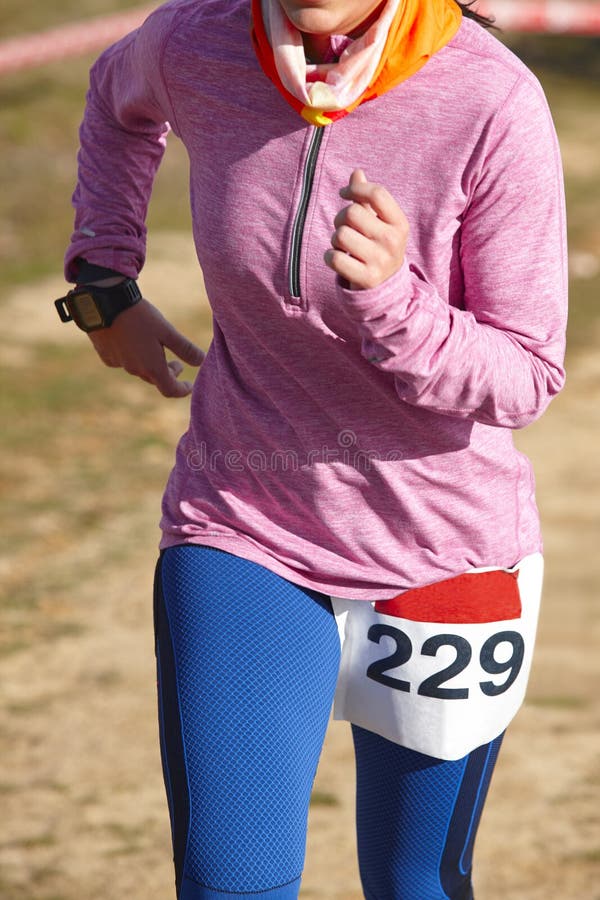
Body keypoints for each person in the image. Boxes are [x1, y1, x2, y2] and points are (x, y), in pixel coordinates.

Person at [57, 0, 567, 897]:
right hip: (243, 519)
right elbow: (115, 96)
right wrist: (104, 278)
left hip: (441, 550)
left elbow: (526, 374)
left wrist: (396, 308)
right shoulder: (198, 40)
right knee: (232, 883)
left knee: (416, 885)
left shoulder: (493, 101)